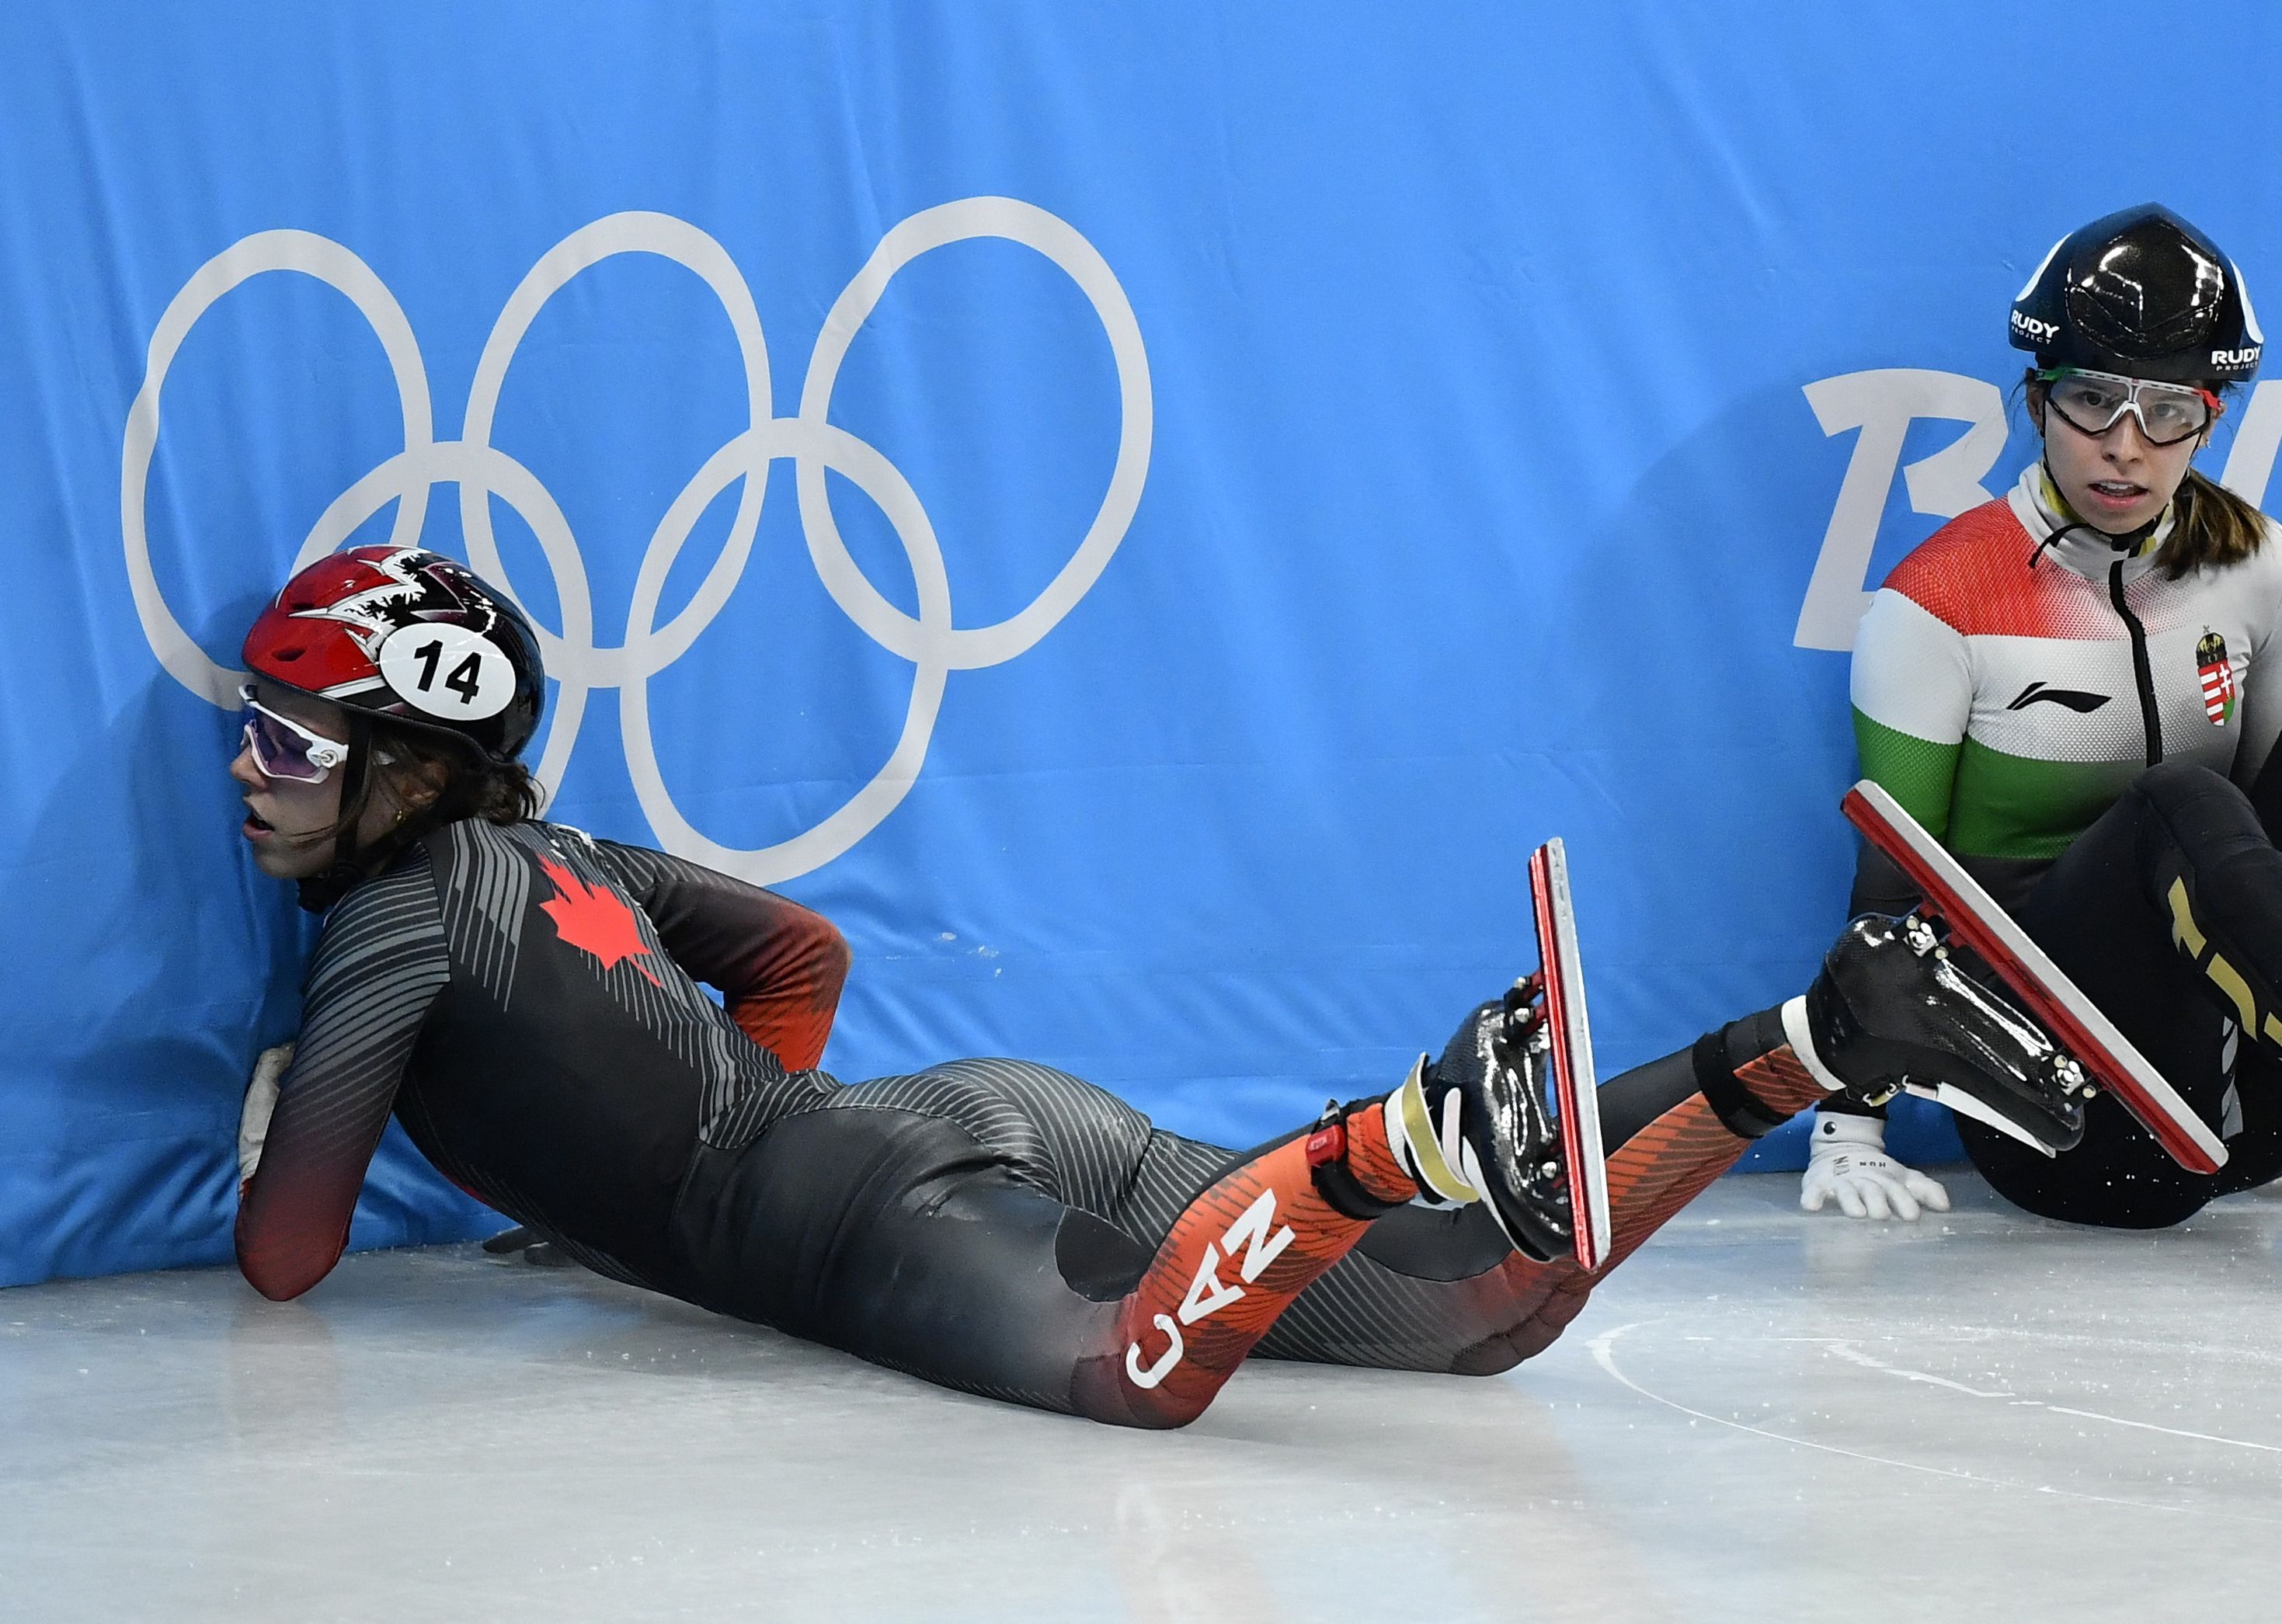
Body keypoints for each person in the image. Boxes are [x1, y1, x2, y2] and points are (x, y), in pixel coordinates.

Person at [230, 544, 2080, 1428]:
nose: (250, 773)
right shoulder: (574, 856)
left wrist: (661, 1172)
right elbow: (804, 954)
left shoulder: (388, 925)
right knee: (1473, 1308)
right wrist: (687, 1116)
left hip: (848, 1210)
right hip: (961, 1118)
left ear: (402, 762)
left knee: (1138, 1374)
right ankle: (1826, 1032)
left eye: (289, 742)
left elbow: (287, 1250)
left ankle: (1411, 1125)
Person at [1825, 202, 2282, 1228]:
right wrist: (1846, 1123)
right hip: (2064, 1131)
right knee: (2179, 802)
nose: (2125, 447)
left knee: (2217, 805)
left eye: (2167, 410)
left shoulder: (2256, 565)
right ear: (2034, 403)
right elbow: (1889, 882)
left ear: (2209, 415)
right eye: (2091, 401)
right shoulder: (1935, 600)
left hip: (2237, 1111)